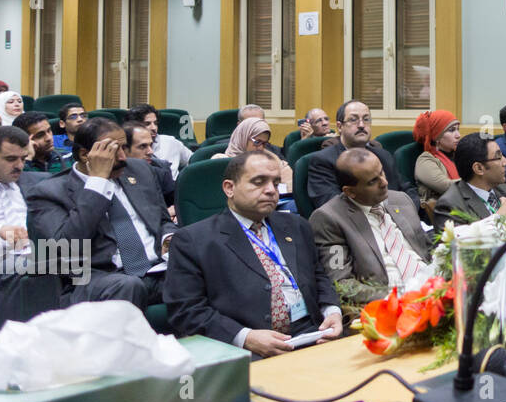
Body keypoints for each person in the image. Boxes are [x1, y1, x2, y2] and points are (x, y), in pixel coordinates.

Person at [164, 150, 341, 357]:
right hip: (246, 348)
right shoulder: (193, 240)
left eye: (275, 183)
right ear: (229, 188)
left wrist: (332, 311)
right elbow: (186, 311)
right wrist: (244, 337)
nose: (271, 191)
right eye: (259, 182)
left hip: (313, 335)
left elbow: (318, 276)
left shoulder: (296, 225)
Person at [26, 117, 176, 309]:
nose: (123, 157)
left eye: (123, 147)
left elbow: (163, 220)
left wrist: (167, 237)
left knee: (210, 266)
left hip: (157, 269)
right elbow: (67, 248)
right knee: (128, 285)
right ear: (85, 155)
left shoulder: (139, 170)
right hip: (100, 278)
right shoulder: (48, 193)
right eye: (113, 151)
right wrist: (98, 182)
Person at [311, 148, 431, 306]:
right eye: (373, 181)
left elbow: (427, 251)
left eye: (382, 173)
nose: (384, 182)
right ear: (350, 191)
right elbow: (342, 283)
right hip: (387, 304)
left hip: (433, 290)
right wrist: (398, 296)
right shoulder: (329, 219)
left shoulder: (401, 200)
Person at [0, 126, 62, 321]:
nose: (19, 166)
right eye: (11, 159)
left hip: (33, 250)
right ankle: (14, 337)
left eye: (23, 158)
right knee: (24, 265)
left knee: (74, 259)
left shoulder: (38, 182)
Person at [305, 101, 405, 209]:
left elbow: (406, 189)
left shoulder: (383, 155)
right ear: (339, 127)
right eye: (353, 120)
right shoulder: (323, 161)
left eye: (366, 119)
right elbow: (333, 206)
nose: (361, 125)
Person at [434, 133, 506, 228]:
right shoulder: (450, 206)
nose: (505, 162)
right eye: (498, 157)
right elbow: (462, 242)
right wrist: (500, 216)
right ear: (479, 168)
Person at [213, 118, 293, 189]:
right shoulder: (221, 160)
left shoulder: (270, 157)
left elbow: (290, 185)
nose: (261, 148)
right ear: (243, 138)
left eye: (264, 144)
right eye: (257, 142)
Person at [126, 123, 177, 221]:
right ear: (124, 149)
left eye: (150, 145)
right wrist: (165, 213)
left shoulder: (160, 171)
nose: (150, 152)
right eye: (142, 146)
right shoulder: (111, 177)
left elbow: (176, 204)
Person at [125, 104, 191, 178]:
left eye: (155, 123)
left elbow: (192, 160)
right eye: (147, 124)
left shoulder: (171, 142)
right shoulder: (128, 147)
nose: (154, 128)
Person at [413, 109, 461, 198]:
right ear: (437, 136)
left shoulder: (458, 155)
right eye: (451, 130)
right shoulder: (426, 160)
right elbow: (446, 186)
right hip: (443, 209)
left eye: (458, 129)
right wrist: (478, 183)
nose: (458, 135)